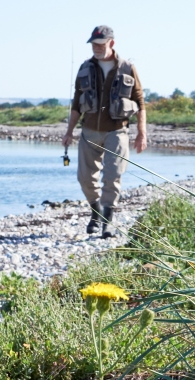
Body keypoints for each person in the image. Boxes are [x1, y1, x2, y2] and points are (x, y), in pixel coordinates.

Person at [61, 25, 147, 239]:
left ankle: (107, 221)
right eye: (93, 44)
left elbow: (140, 103)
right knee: (85, 178)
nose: (96, 48)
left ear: (111, 43)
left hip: (117, 131)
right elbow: (75, 104)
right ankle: (95, 212)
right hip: (89, 131)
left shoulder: (127, 67)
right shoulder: (84, 68)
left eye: (100, 44)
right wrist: (69, 131)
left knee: (113, 175)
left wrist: (142, 133)